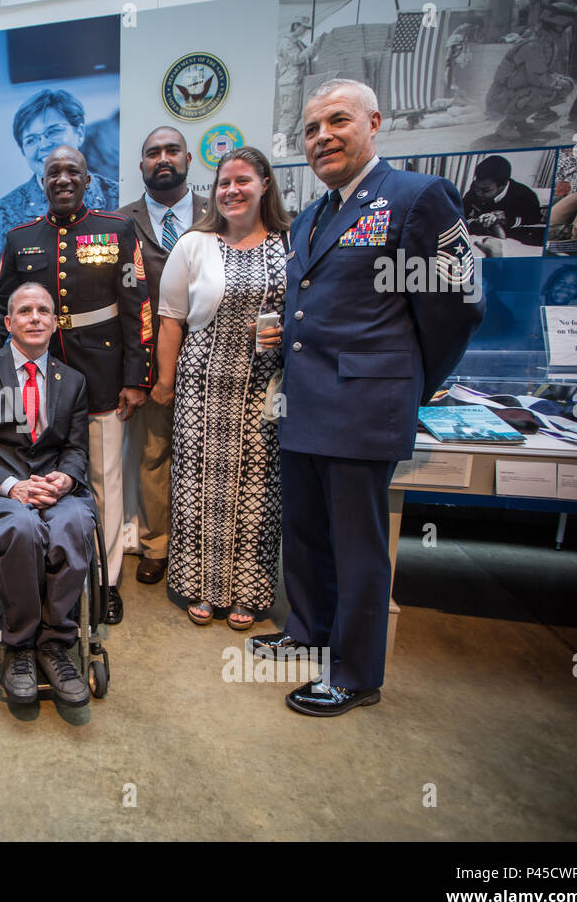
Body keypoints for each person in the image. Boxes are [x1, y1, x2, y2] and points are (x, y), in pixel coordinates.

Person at [253, 79, 484, 717]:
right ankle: (308, 633)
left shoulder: (416, 197)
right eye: (310, 129)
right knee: (304, 533)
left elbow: (458, 305)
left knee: (357, 545)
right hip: (302, 402)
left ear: (374, 123)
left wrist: (409, 381)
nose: (322, 137)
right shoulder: (313, 214)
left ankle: (355, 673)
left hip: (362, 406)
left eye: (337, 122)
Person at [0, 145, 151, 625]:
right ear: (42, 181)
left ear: (88, 179)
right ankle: (46, 567)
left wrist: (136, 377)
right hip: (35, 372)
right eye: (54, 173)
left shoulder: (117, 229)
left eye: (73, 171)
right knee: (42, 474)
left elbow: (137, 308)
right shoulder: (21, 237)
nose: (63, 179)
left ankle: (106, 582)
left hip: (103, 372)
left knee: (105, 481)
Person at [152, 146, 289, 631]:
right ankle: (201, 587)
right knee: (198, 488)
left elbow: (310, 313)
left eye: (242, 181)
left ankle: (248, 593)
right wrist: (165, 385)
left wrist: (286, 333)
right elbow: (170, 320)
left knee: (256, 489)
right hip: (200, 388)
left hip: (264, 390)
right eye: (224, 183)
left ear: (264, 185)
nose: (231, 190)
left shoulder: (290, 243)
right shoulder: (193, 244)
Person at [0, 283, 96, 707]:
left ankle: (54, 643)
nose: (35, 317)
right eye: (25, 311)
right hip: (3, 492)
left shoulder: (73, 381)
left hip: (55, 491)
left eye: (44, 311)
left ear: (55, 322)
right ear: (8, 323)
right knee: (22, 527)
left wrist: (67, 480)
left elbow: (75, 449)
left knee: (74, 524)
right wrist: (12, 486)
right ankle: (19, 646)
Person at [116, 126, 208, 586]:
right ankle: (157, 546)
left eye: (172, 150)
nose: (163, 158)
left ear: (189, 159)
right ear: (141, 165)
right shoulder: (118, 222)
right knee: (154, 457)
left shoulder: (221, 213)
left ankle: (205, 552)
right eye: (153, 153)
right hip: (151, 364)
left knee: (210, 458)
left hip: (217, 360)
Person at [0, 90, 119, 312]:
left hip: (100, 341)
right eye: (31, 140)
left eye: (53, 131)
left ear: (80, 133)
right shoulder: (3, 215)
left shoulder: (115, 200)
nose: (43, 144)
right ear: (23, 150)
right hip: (33, 341)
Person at [485, 2, 577, 139]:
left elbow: (543, 73)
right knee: (548, 92)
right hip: (499, 97)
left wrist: (563, 82)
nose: (566, 30)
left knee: (562, 86)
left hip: (512, 91)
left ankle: (520, 121)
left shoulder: (546, 42)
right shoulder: (534, 45)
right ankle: (506, 125)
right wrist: (560, 83)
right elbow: (537, 78)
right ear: (558, 25)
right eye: (565, 26)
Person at [463, 155, 542, 242]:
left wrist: (507, 220)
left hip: (512, 241)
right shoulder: (477, 187)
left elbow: (534, 220)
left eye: (485, 190)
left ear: (503, 185)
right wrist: (476, 222)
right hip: (482, 238)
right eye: (476, 187)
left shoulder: (525, 195)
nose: (478, 193)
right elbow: (461, 212)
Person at [275, 17, 317, 155]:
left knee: (296, 115)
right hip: (289, 83)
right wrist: (312, 48)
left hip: (296, 82)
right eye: (303, 28)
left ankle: (289, 145)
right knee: (288, 115)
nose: (305, 31)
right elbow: (297, 59)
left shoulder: (297, 43)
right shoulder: (286, 43)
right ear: (296, 26)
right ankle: (279, 149)